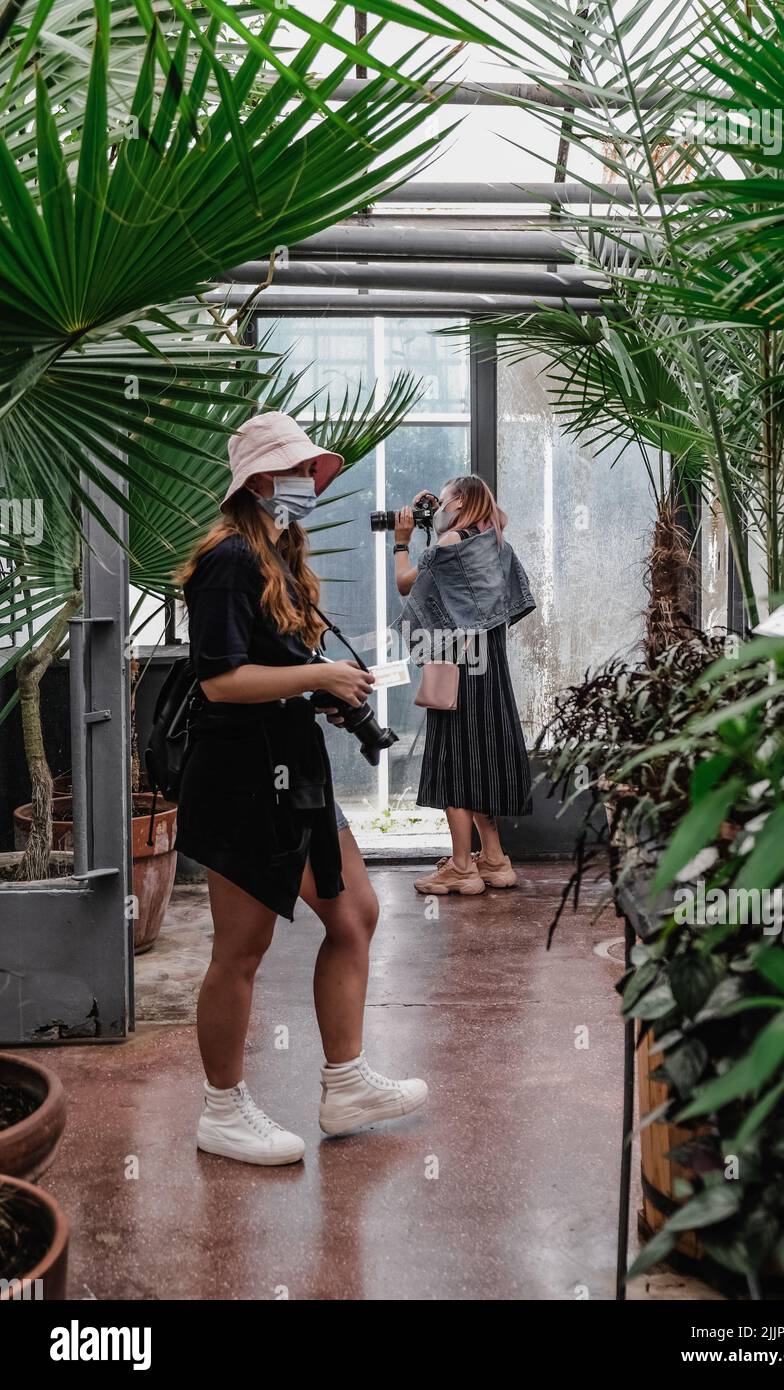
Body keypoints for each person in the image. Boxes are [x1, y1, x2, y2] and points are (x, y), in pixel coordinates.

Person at [174, 412, 427, 1166]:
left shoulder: (277, 559)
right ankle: (221, 1111)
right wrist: (319, 674)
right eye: (295, 473)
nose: (309, 485)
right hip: (242, 775)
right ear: (257, 482)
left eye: (311, 472)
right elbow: (220, 682)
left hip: (293, 763)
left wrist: (321, 692)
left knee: (355, 912)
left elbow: (267, 673)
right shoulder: (226, 560)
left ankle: (345, 1082)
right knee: (241, 948)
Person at [392, 475, 535, 896]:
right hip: (489, 670)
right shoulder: (495, 546)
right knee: (482, 759)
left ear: (458, 503)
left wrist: (402, 541)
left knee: (454, 760)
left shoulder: (451, 542)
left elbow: (408, 584)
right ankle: (493, 859)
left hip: (457, 670)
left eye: (445, 499)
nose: (440, 508)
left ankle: (460, 867)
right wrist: (428, 526)